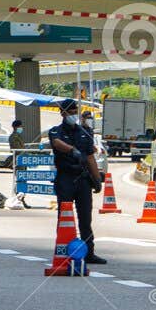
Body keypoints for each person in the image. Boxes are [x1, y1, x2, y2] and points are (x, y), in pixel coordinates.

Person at [47, 101, 105, 264]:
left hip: (83, 179)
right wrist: (72, 150)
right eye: (70, 112)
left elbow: (90, 157)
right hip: (65, 177)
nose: (73, 115)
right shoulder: (55, 131)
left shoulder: (85, 132)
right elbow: (57, 143)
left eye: (75, 111)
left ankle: (89, 253)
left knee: (85, 218)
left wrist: (97, 179)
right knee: (64, 217)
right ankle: (63, 251)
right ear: (62, 113)